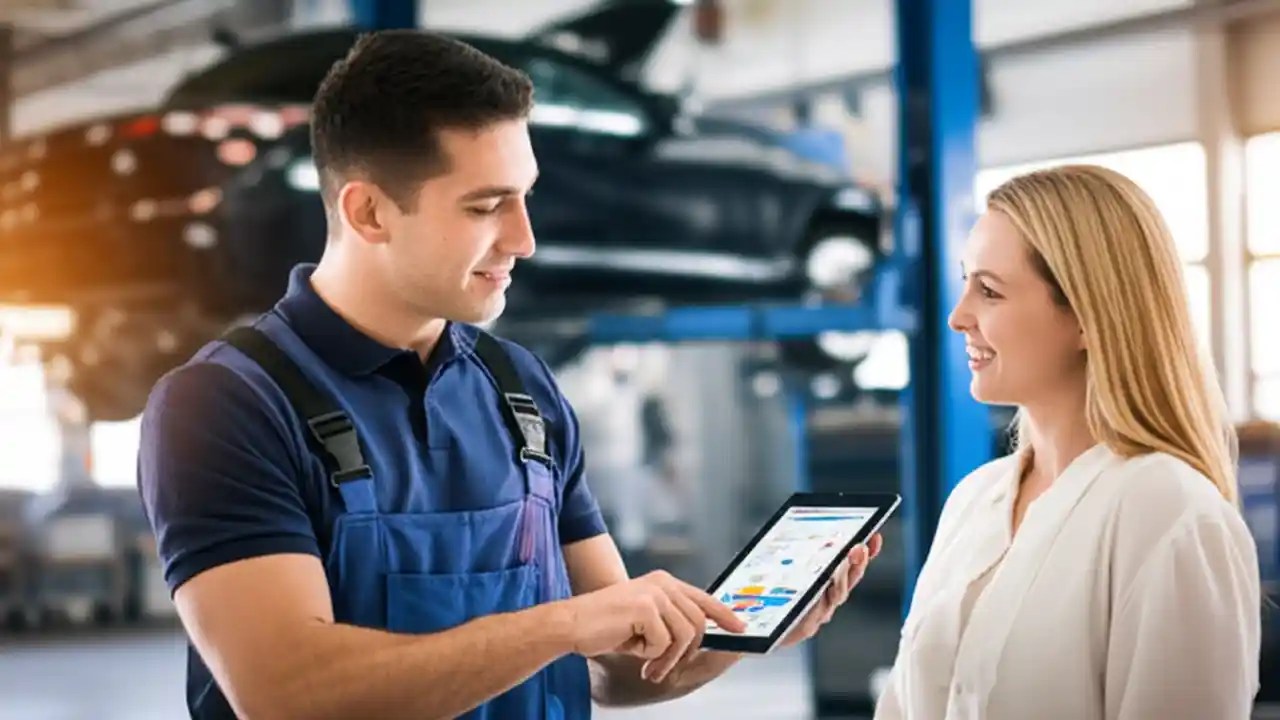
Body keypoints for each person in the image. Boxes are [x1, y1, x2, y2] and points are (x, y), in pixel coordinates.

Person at [137, 30, 883, 720]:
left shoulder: (520, 389)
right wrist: (560, 623)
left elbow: (612, 668)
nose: (523, 240)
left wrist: (741, 634)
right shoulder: (225, 406)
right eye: (486, 206)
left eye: (525, 197)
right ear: (368, 213)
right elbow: (290, 694)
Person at [873, 165, 1262, 720]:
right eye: (965, 284)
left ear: (1085, 315)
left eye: (989, 290)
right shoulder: (974, 500)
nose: (959, 317)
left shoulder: (1169, 513)